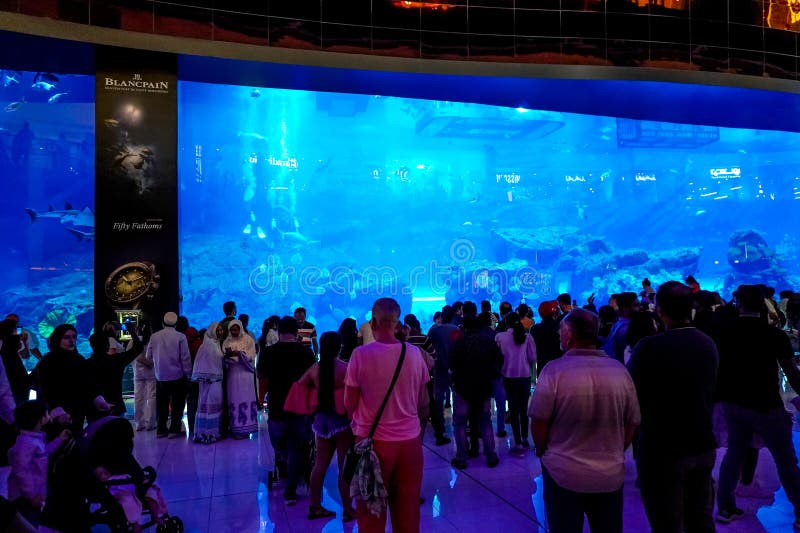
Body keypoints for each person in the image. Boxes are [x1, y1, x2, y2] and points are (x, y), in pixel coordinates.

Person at [529, 309, 640, 533]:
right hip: (609, 475)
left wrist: (544, 452)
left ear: (569, 334)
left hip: (563, 473)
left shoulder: (553, 371)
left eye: (561, 332)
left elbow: (539, 422)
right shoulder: (619, 371)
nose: (559, 337)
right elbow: (632, 422)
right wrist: (616, 450)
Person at [627, 281, 719, 532]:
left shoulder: (649, 347)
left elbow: (631, 392)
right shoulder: (707, 343)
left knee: (665, 520)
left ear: (659, 310)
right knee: (701, 518)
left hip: (662, 447)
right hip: (702, 442)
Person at [714, 285, 800, 526]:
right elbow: (790, 371)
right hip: (767, 406)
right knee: (785, 460)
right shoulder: (774, 335)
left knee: (734, 454)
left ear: (738, 303)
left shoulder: (725, 332)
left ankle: (725, 507)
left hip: (734, 404)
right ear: (763, 304)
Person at [345, 298, 430, 533]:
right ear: (397, 322)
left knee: (371, 513)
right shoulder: (414, 354)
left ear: (372, 322)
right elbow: (424, 402)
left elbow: (349, 405)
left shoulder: (360, 356)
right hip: (410, 444)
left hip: (371, 444)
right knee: (408, 512)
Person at [257, 316, 316, 505]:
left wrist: (260, 399)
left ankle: (286, 467)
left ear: (279, 331)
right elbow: (313, 379)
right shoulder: (305, 352)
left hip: (277, 404)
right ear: (296, 331)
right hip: (301, 405)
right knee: (298, 443)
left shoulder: (268, 352)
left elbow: (263, 378)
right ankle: (294, 481)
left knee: (279, 442)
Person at [299, 331, 356, 522]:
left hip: (320, 421)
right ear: (339, 347)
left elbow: (300, 386)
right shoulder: (345, 368)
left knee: (320, 464)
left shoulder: (315, 368)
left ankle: (315, 506)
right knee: (343, 466)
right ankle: (348, 509)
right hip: (341, 422)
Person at [449, 304, 502, 469]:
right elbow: (498, 360)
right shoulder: (487, 340)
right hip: (483, 385)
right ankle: (491, 455)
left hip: (462, 387)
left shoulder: (458, 341)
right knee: (485, 421)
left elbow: (452, 363)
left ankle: (462, 457)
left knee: (459, 423)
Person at [35, 324, 113, 434]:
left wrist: (99, 400)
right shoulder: (47, 362)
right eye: (66, 337)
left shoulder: (79, 359)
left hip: (78, 412)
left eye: (74, 337)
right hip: (56, 414)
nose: (71, 340)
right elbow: (47, 390)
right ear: (58, 339)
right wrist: (57, 410)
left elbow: (89, 384)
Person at [8, 400, 72, 527]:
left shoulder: (34, 439)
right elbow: (21, 472)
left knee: (33, 521)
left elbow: (44, 452)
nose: (49, 416)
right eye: (47, 413)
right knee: (27, 525)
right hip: (24, 497)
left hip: (33, 493)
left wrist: (59, 440)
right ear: (41, 419)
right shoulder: (25, 444)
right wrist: (31, 496)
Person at [496, 312, 536, 456]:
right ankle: (525, 438)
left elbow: (496, 357)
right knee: (524, 409)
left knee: (513, 410)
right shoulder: (528, 337)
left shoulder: (499, 337)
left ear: (506, 322)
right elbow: (533, 358)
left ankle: (518, 442)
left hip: (508, 377)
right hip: (524, 377)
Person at [146, 312, 191, 438]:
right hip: (177, 376)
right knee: (177, 403)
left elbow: (148, 356)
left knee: (162, 403)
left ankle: (161, 429)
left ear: (163, 323)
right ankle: (174, 429)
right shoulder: (181, 337)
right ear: (176, 324)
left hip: (160, 376)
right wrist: (188, 374)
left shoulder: (154, 336)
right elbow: (185, 358)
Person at [87, 327, 143, 417]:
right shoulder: (116, 360)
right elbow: (138, 347)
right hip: (116, 407)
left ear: (91, 345)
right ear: (107, 345)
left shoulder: (87, 364)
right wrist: (132, 331)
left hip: (94, 410)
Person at [426, 305, 460, 445]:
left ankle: (439, 430)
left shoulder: (434, 331)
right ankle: (459, 426)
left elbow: (429, 348)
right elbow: (459, 348)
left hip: (439, 367)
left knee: (438, 400)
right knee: (458, 397)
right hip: (455, 367)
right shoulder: (456, 330)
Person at [222, 319, 258, 439]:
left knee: (246, 398)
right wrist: (227, 356)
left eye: (236, 329)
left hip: (245, 374)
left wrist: (239, 354)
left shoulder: (248, 340)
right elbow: (223, 356)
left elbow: (252, 355)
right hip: (232, 374)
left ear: (240, 328)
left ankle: (247, 428)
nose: (234, 331)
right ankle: (235, 428)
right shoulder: (227, 341)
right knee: (234, 398)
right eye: (231, 329)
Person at [191, 323, 225, 444]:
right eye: (218, 330)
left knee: (207, 406)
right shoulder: (209, 346)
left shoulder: (214, 344)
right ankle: (209, 433)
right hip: (211, 381)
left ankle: (205, 432)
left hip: (211, 381)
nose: (220, 332)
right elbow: (209, 362)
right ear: (212, 331)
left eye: (221, 330)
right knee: (211, 406)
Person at [176, 316, 202, 436]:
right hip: (196, 373)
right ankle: (197, 424)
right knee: (195, 399)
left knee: (182, 400)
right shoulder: (197, 339)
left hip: (181, 374)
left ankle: (186, 426)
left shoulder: (179, 338)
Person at [0, 320, 30, 405]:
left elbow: (25, 355)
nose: (19, 331)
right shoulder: (13, 342)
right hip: (17, 386)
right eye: (16, 329)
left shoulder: (15, 343)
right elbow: (26, 355)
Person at [133, 333, 157, 432]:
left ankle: (139, 423)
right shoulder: (152, 339)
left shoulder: (133, 341)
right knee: (152, 397)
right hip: (151, 372)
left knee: (138, 397)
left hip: (138, 373)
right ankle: (150, 423)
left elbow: (130, 355)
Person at [532, 301, 563, 375]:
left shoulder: (535, 329)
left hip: (542, 366)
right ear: (554, 312)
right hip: (559, 366)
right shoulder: (560, 328)